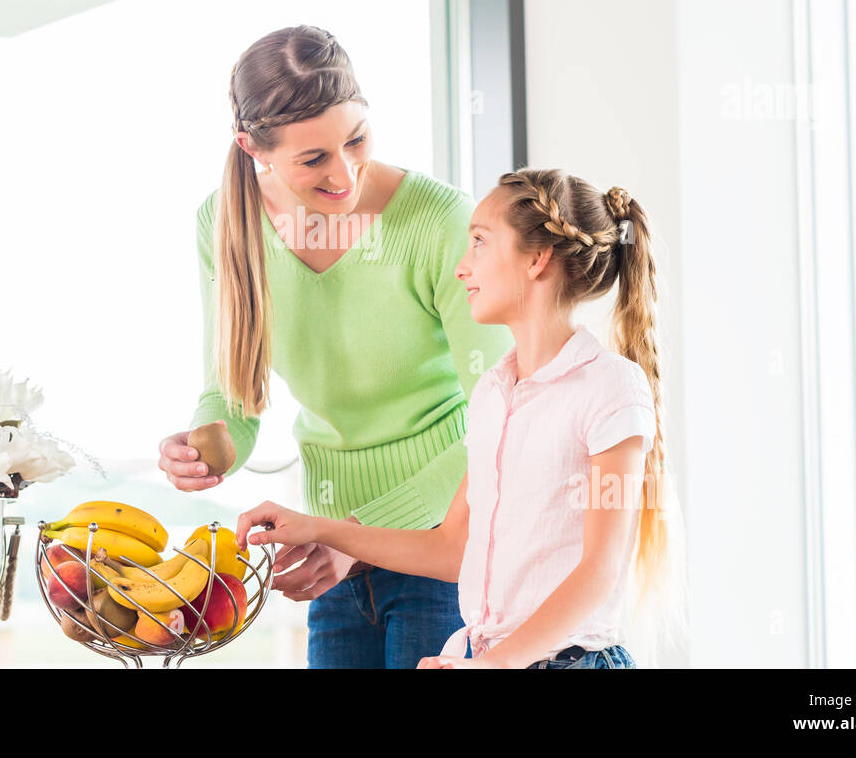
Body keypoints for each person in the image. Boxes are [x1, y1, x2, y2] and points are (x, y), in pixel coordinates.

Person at [157, 25, 513, 669]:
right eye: (313, 158)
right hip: (330, 555)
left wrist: (355, 537)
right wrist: (203, 447)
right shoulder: (224, 223)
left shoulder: (440, 222)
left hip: (444, 545)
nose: (345, 173)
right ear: (252, 148)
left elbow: (502, 415)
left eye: (356, 139)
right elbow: (232, 391)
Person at [237, 167, 686, 667]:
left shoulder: (611, 389)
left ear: (536, 259)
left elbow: (600, 569)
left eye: (478, 242)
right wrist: (318, 528)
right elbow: (451, 549)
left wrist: (492, 664)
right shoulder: (493, 394)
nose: (461, 267)